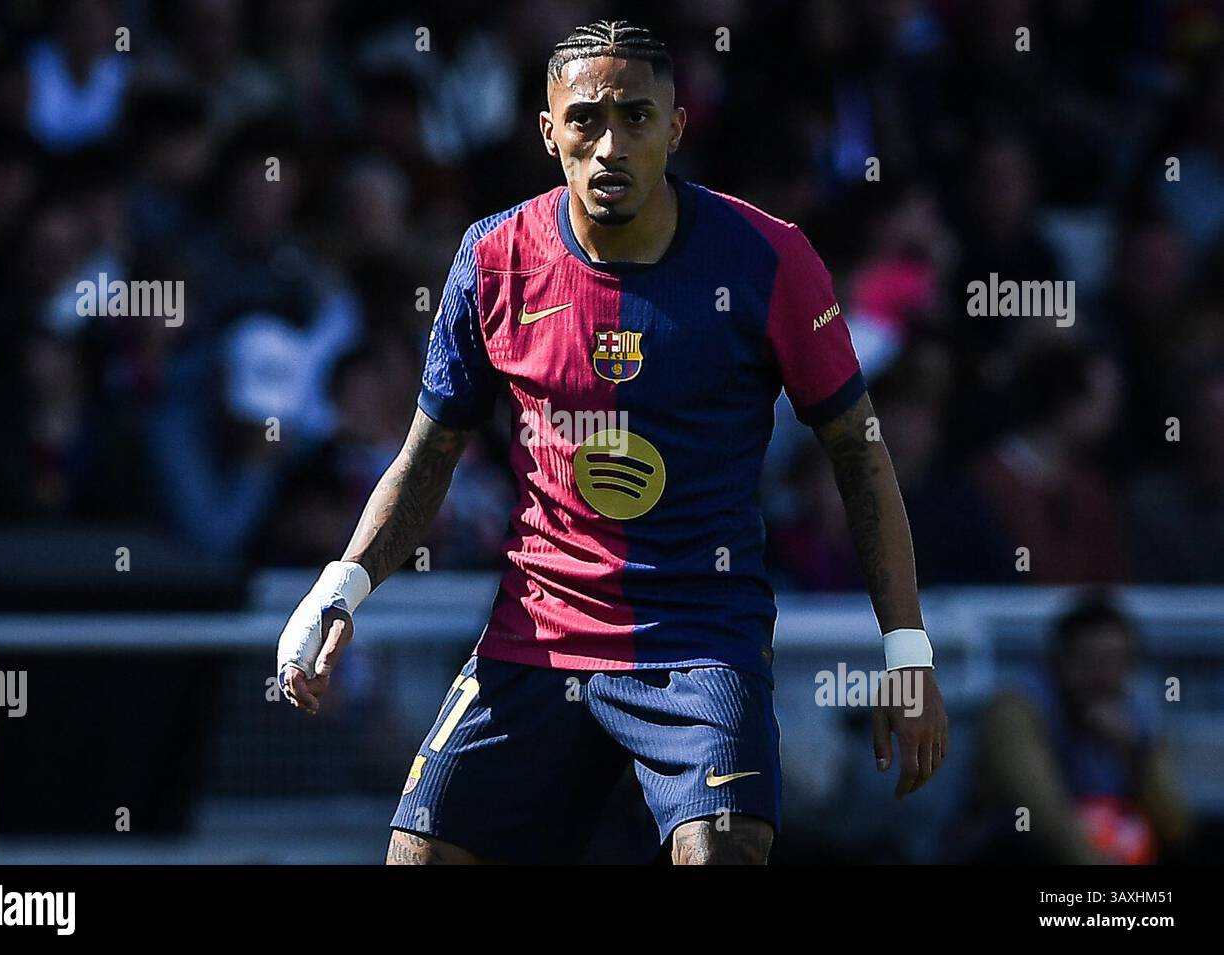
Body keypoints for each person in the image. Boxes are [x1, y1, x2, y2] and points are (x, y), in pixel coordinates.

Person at [275, 19, 948, 865]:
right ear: (548, 129)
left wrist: (907, 651)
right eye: (586, 118)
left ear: (676, 127)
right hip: (537, 637)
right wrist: (339, 586)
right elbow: (425, 456)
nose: (609, 144)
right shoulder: (493, 260)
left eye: (635, 117)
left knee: (722, 852)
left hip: (700, 641)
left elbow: (860, 453)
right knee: (419, 855)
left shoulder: (767, 259)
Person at [952, 595, 1192, 864]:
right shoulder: (1017, 709)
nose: (1104, 676)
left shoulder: (1134, 716)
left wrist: (1135, 752)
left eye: (1117, 662)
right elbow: (1043, 813)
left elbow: (1174, 827)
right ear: (1059, 660)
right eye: (1091, 661)